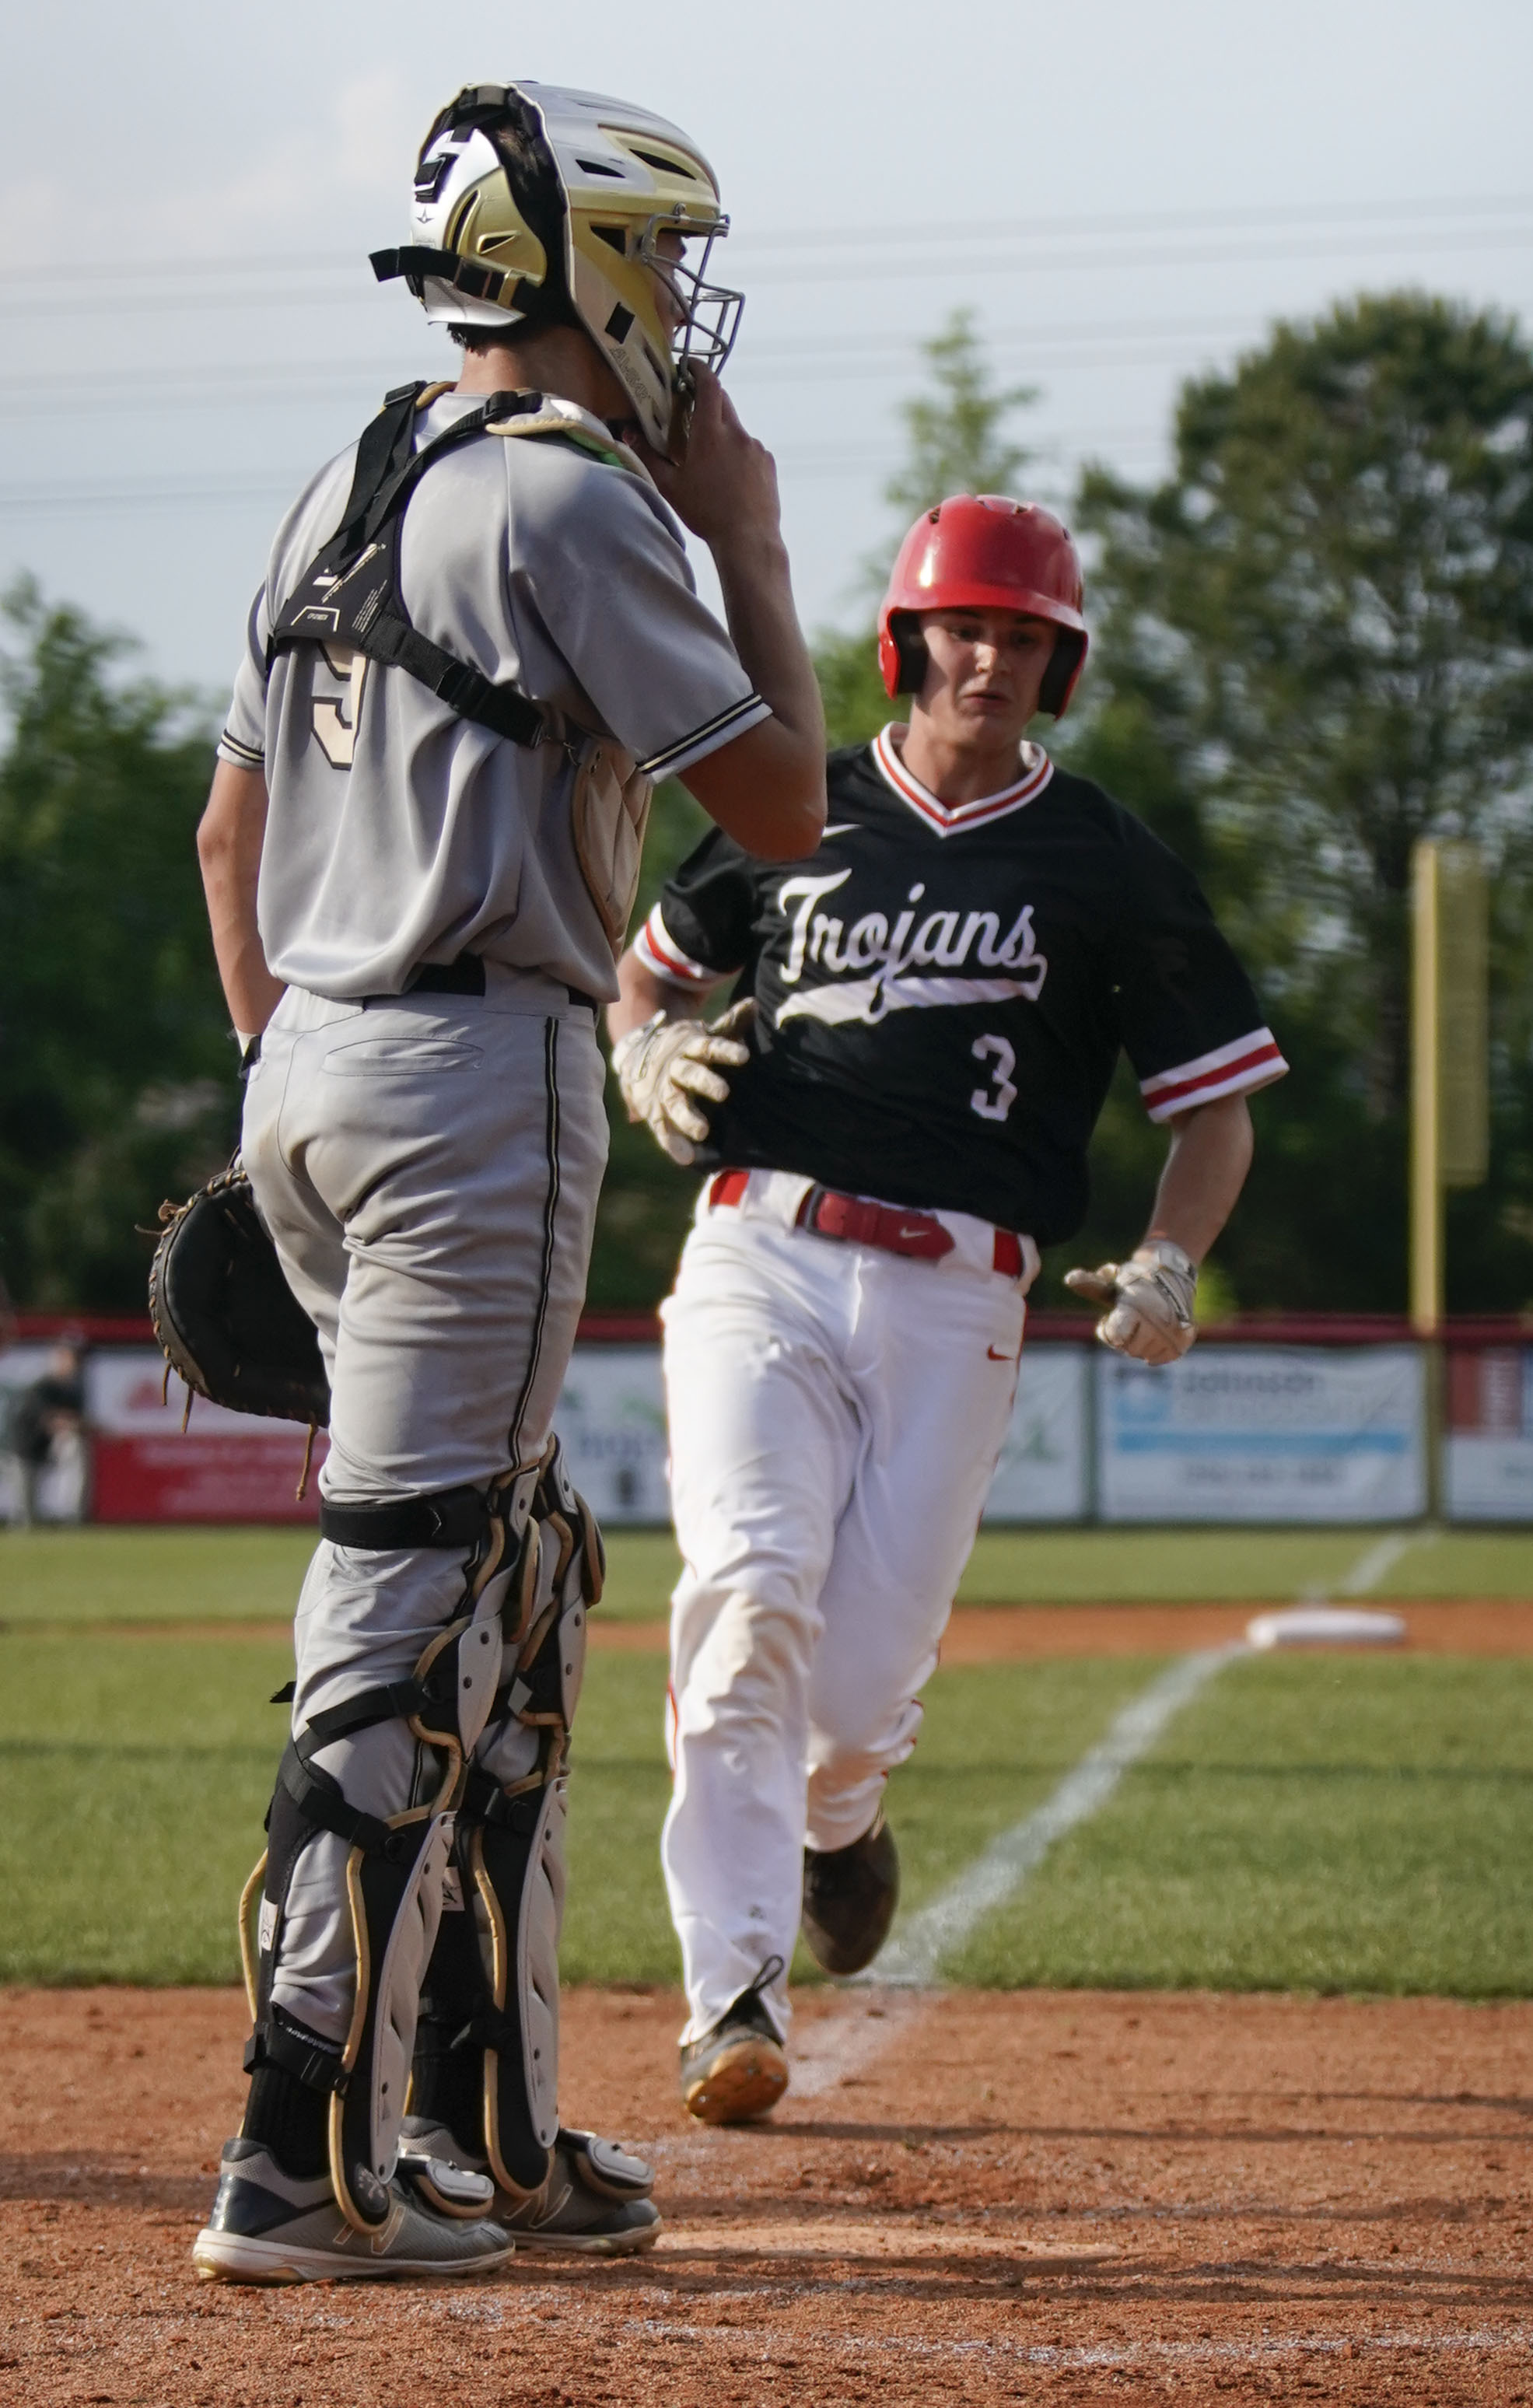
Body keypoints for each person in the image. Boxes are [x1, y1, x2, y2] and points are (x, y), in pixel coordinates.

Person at [190, 79, 825, 2281]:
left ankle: (487, 2122)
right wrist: (744, 530)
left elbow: (221, 838)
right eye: (663, 264)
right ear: (588, 274)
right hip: (477, 1077)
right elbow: (779, 808)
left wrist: (291, 1074)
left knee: (519, 1593)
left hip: (318, 1060)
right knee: (411, 1608)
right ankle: (295, 2159)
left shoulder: (341, 478)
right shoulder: (572, 504)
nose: (682, 313)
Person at [609, 493, 1287, 2123]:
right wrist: (636, 1046)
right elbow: (648, 968)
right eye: (963, 626)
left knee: (850, 1697)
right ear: (904, 641)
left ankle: (843, 1822)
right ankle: (730, 1999)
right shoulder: (797, 806)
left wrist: (1170, 1256)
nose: (989, 654)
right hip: (756, 1253)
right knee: (746, 1592)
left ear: (1057, 664)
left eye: (1023, 634)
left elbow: (1214, 1106)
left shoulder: (1102, 859)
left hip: (958, 1301)